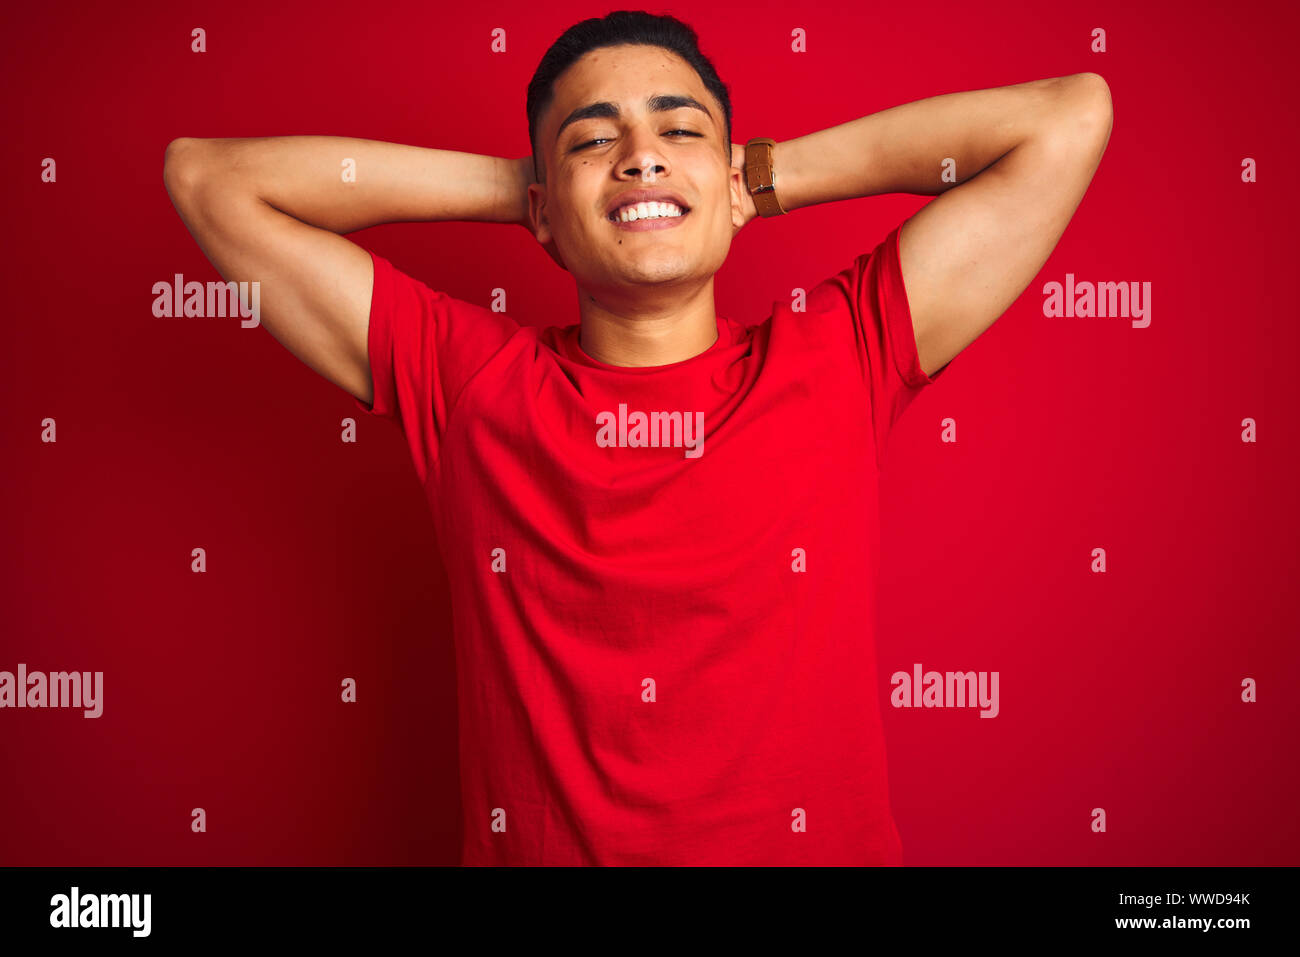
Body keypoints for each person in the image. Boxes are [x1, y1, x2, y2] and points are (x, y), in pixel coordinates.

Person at [162, 10, 1112, 865]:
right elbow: (209, 178)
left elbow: (1068, 118)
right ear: (540, 206)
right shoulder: (466, 382)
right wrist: (538, 192)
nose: (643, 157)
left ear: (734, 171)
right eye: (595, 140)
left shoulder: (841, 354)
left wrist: (745, 181)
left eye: (680, 129)